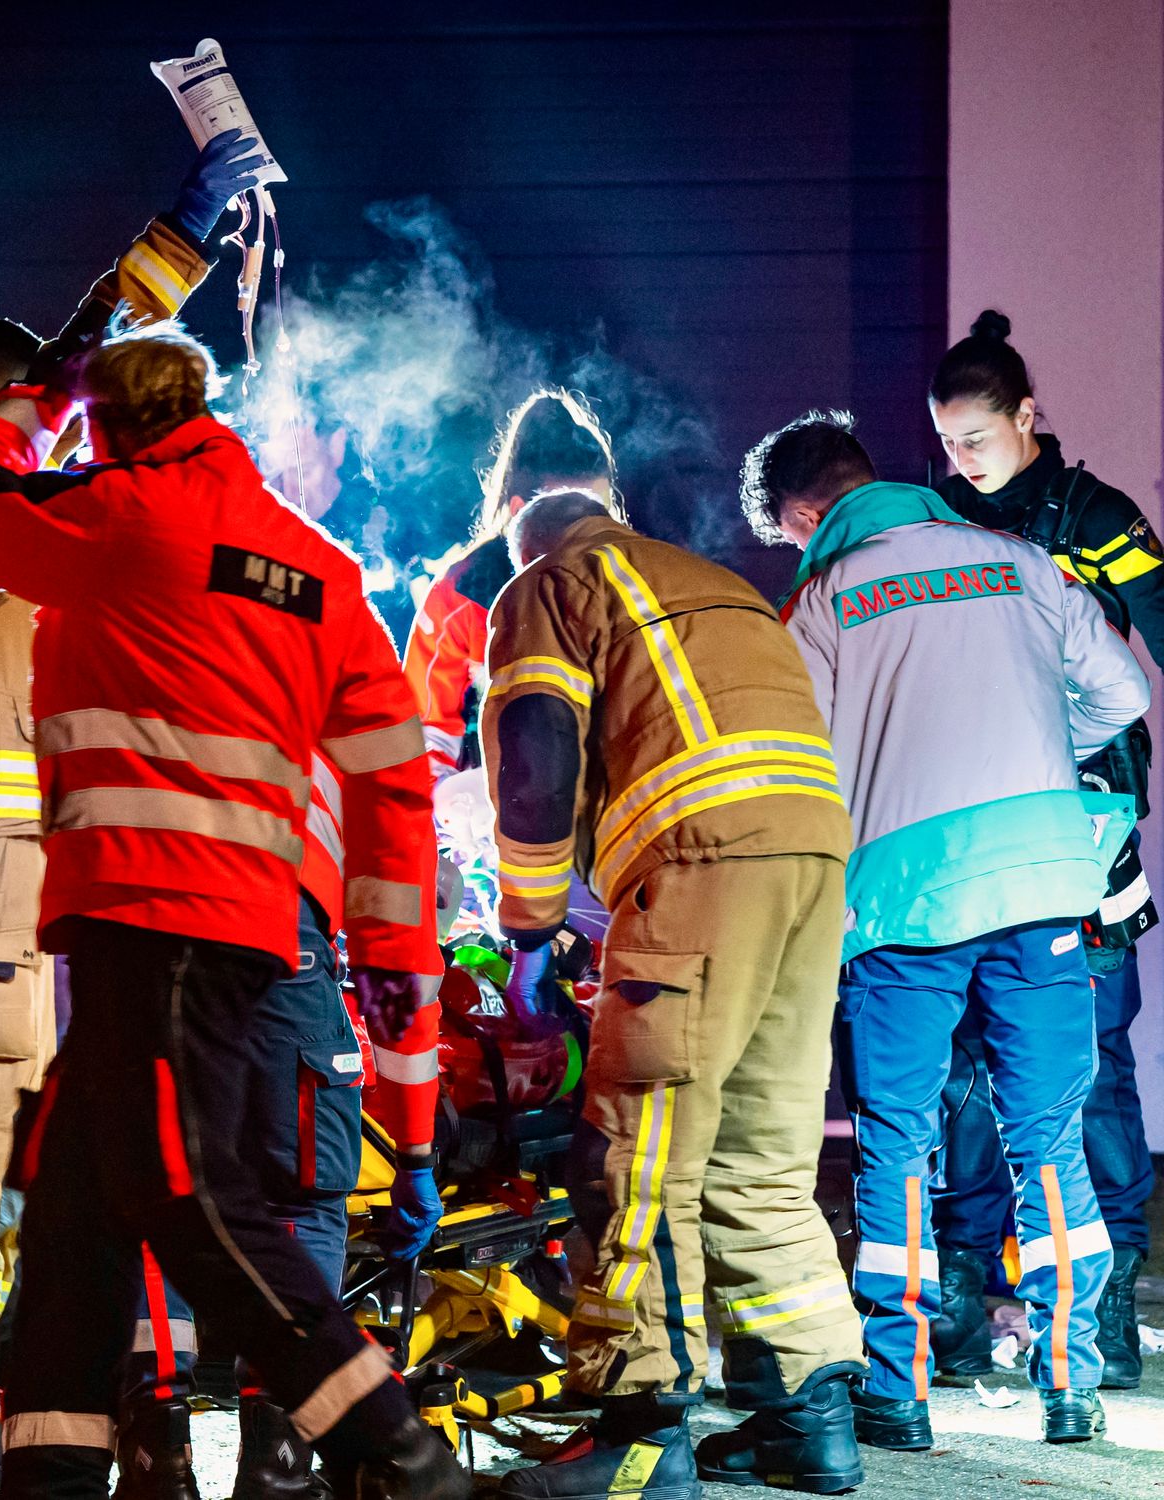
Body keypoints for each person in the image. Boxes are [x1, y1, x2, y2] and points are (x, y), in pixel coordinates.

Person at [0, 329, 467, 1500]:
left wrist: (32, 401)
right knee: (73, 1244)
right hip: (251, 935)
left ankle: (401, 1458)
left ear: (107, 428)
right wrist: (402, 1032)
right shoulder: (322, 573)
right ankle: (50, 1476)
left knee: (191, 1197)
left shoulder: (115, 516)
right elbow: (394, 805)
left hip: (146, 925)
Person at [751, 411, 1148, 1447]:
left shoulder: (823, 600)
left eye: (794, 538)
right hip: (1039, 881)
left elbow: (804, 772)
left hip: (900, 904)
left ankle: (899, 1392)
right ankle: (1071, 1386)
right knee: (1049, 1134)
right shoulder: (1020, 561)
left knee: (897, 1142)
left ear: (806, 516)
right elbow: (1121, 692)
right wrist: (1029, 750)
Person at [0, 126, 265, 1485]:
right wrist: (191, 218)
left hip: (36, 883)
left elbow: (81, 369)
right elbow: (78, 364)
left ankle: (22, 1401)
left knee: (35, 1160)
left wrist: (193, 223)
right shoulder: (6, 499)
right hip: (9, 884)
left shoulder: (41, 507)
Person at [481, 488, 866, 1499]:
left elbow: (535, 755)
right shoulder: (717, 580)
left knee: (638, 1149)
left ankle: (641, 1437)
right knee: (764, 1151)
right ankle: (809, 1418)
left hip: (702, 862)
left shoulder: (550, 582)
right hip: (816, 862)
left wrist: (525, 932)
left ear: (524, 532)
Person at [927, 310, 1161, 1388]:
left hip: (1084, 826)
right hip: (969, 826)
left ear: (1028, 418)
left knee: (1097, 1066)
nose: (960, 464)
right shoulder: (932, 524)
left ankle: (1104, 1320)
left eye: (977, 439)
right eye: (946, 445)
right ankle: (967, 1303)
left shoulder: (1095, 516)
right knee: (968, 1065)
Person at [114, 746, 446, 1500]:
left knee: (159, 1197)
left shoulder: (157, 678)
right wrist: (417, 1152)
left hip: (146, 950)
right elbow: (399, 962)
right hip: (285, 961)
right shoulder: (356, 734)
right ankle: (278, 1466)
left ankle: (156, 1462)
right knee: (299, 1206)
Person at [403, 388, 621, 783]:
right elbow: (425, 729)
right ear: (521, 512)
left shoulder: (633, 580)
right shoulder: (462, 594)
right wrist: (451, 803)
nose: (591, 535)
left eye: (601, 515)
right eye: (573, 519)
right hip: (488, 813)